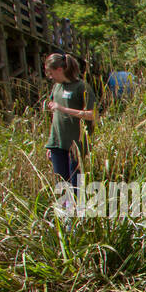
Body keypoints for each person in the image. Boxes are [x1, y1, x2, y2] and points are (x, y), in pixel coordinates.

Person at [43, 53, 95, 217]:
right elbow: (55, 117)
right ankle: (67, 219)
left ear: (60, 69)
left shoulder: (81, 87)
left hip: (75, 145)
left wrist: (64, 109)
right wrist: (51, 143)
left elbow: (91, 114)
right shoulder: (56, 88)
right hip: (57, 144)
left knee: (75, 184)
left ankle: (79, 218)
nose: (50, 77)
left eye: (51, 73)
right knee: (61, 184)